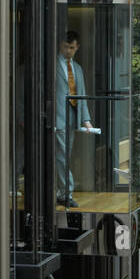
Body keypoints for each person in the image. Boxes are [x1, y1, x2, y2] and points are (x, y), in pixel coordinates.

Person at [56, 30, 94, 208]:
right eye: (65, 47)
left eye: (71, 48)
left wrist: (85, 119)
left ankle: (60, 190)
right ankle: (66, 192)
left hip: (71, 118)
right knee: (62, 157)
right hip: (57, 118)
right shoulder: (53, 65)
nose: (68, 51)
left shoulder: (77, 68)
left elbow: (81, 94)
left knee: (64, 156)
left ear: (77, 47)